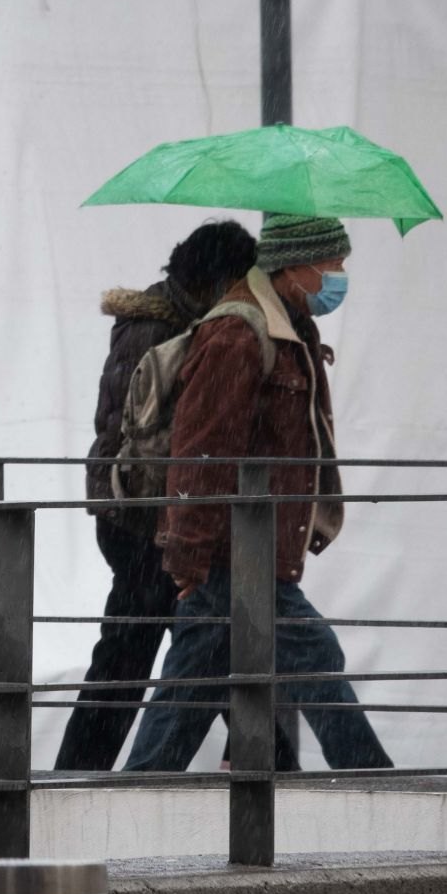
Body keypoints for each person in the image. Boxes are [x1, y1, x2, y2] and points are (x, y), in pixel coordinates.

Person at [121, 214, 393, 773]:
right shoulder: (238, 334)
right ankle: (375, 780)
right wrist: (188, 554)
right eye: (333, 264)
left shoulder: (288, 326)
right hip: (234, 547)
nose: (340, 277)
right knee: (313, 653)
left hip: (248, 544)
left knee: (192, 682)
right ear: (294, 266)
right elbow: (202, 451)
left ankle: (138, 788)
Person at [55, 220, 259, 772]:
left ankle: (261, 756)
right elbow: (161, 440)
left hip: (139, 514)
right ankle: (78, 775)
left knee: (191, 647)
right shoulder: (163, 332)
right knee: (159, 653)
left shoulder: (166, 321)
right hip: (146, 520)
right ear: (220, 279)